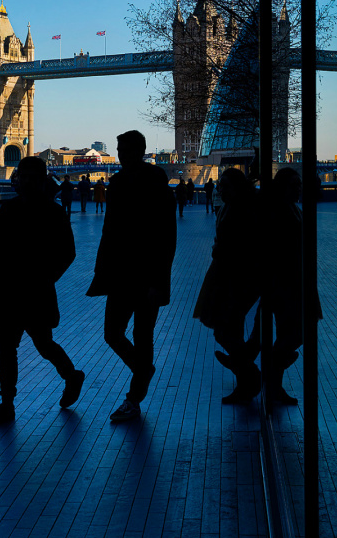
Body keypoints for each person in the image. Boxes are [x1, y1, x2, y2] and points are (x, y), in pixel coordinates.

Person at [0, 158, 86, 426]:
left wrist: (44, 278)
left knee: (35, 344)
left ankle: (68, 377)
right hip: (17, 289)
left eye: (32, 177)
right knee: (15, 346)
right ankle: (9, 402)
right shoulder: (27, 210)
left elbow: (67, 252)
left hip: (29, 289)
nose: (26, 181)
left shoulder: (43, 212)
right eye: (24, 176)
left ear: (41, 181)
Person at [87, 129, 177, 422]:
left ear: (140, 151)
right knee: (113, 334)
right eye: (120, 151)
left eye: (126, 151)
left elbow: (166, 237)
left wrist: (158, 282)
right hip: (121, 273)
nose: (122, 156)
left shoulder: (156, 184)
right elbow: (109, 230)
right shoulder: (117, 183)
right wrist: (102, 269)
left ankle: (134, 398)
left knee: (142, 336)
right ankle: (143, 369)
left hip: (147, 275)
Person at [193, 167, 261, 404]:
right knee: (230, 327)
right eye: (220, 186)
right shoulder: (233, 207)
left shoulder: (241, 210)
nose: (220, 190)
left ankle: (247, 373)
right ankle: (246, 374)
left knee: (225, 328)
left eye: (225, 186)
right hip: (230, 274)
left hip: (235, 276)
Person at [259, 166, 320, 406]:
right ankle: (274, 369)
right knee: (295, 332)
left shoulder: (290, 209)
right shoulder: (282, 212)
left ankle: (274, 379)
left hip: (294, 280)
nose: (299, 189)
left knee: (291, 332)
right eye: (294, 186)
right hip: (288, 282)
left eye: (299, 185)